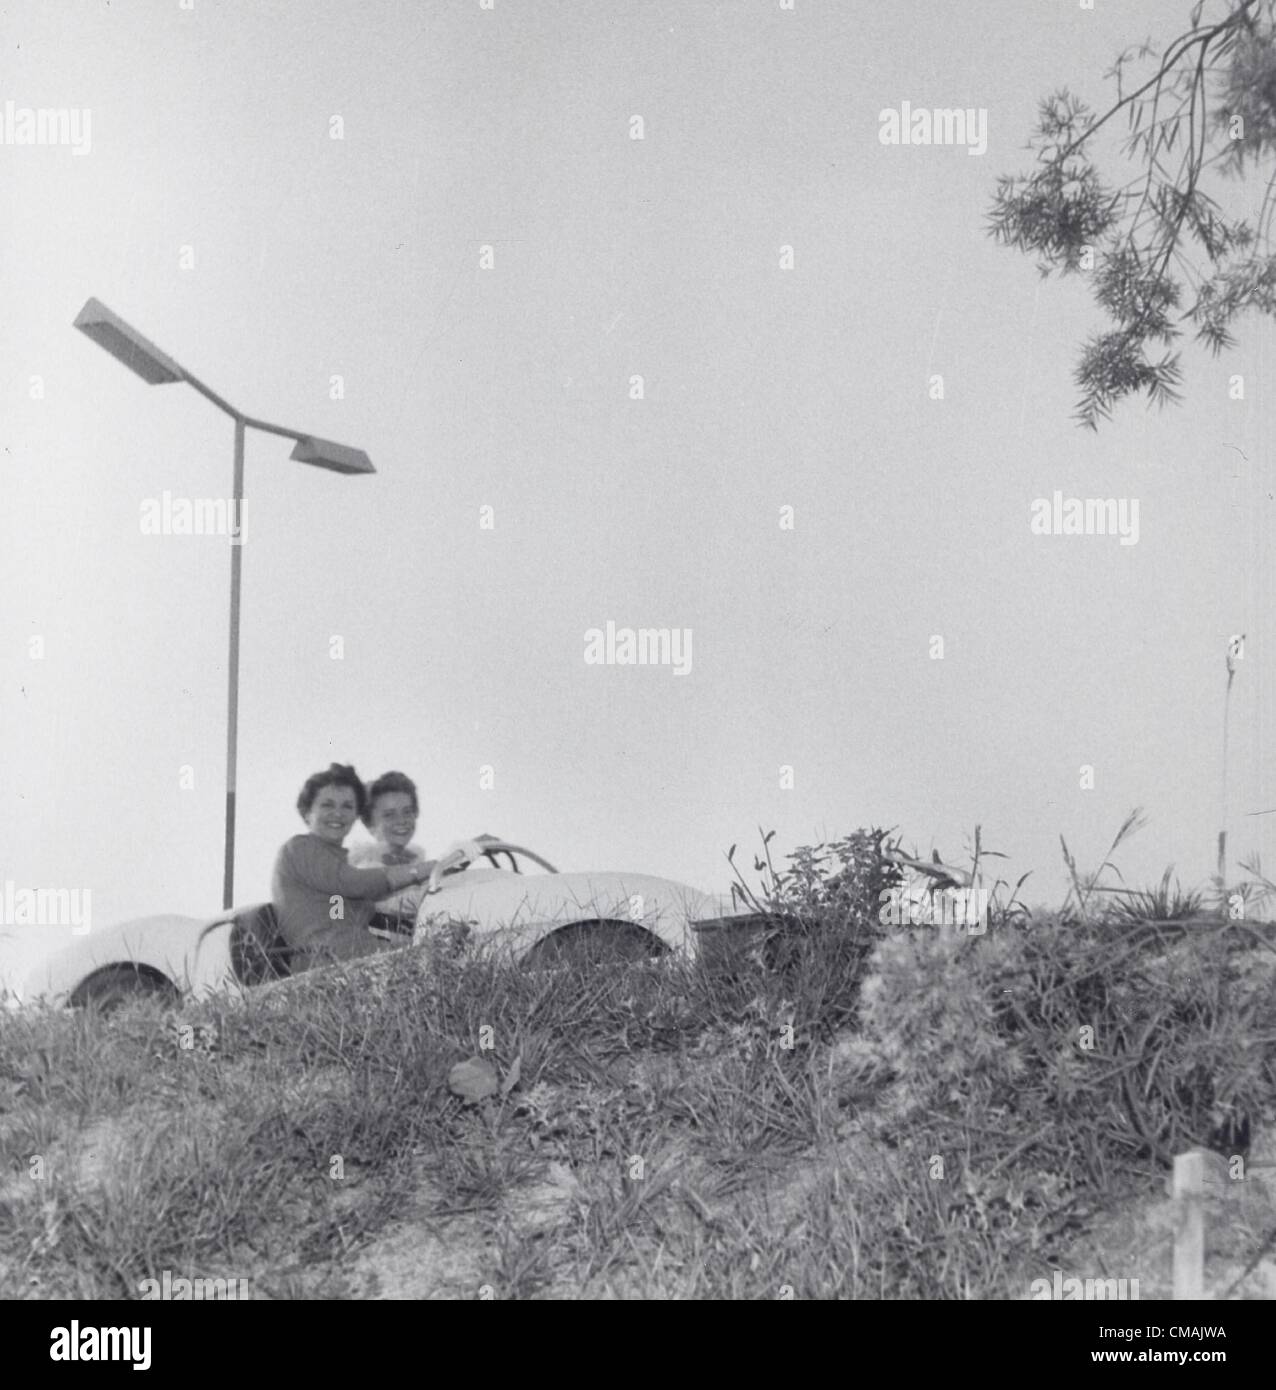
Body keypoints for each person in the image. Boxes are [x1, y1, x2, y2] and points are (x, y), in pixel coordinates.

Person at [271, 763, 432, 973]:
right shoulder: (299, 847)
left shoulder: (338, 858)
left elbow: (336, 912)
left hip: (348, 953)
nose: (338, 814)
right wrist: (422, 870)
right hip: (326, 961)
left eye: (347, 806)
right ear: (308, 812)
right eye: (327, 805)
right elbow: (349, 882)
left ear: (356, 815)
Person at [349, 771, 436, 930]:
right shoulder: (366, 868)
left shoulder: (416, 859)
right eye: (389, 815)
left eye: (407, 812)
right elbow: (406, 903)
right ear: (370, 825)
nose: (401, 821)